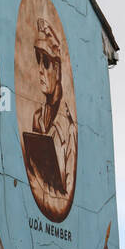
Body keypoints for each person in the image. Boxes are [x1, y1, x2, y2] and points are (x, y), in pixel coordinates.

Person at [28, 17, 77, 218]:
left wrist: (37, 182)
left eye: (46, 63)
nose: (40, 69)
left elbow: (65, 201)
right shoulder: (37, 118)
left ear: (57, 70)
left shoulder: (69, 130)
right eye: (38, 60)